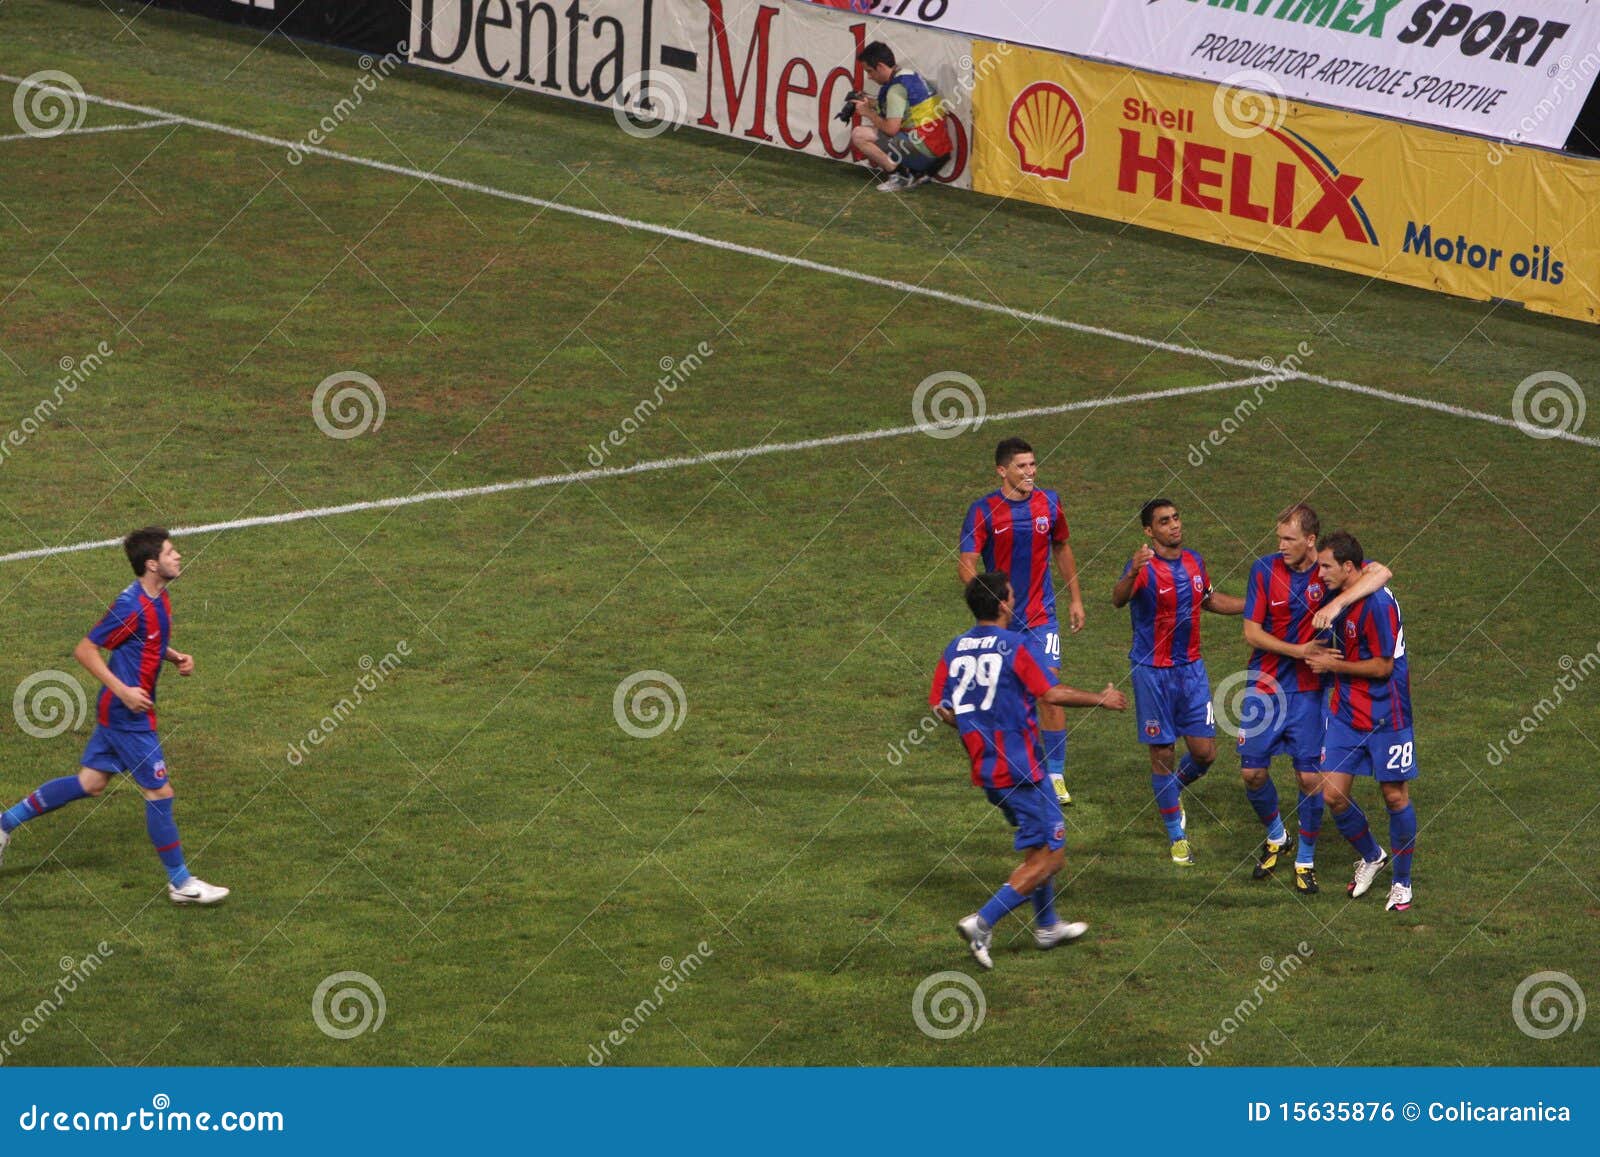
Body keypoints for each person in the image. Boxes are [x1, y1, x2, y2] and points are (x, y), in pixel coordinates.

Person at [0, 528, 228, 905]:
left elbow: (146, 639)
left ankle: (5, 822)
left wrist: (174, 657)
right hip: (127, 716)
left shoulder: (158, 597)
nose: (179, 556)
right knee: (159, 792)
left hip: (122, 711)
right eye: (171, 552)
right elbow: (85, 649)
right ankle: (181, 883)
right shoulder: (131, 605)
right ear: (152, 564)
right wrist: (123, 690)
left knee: (89, 783)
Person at [930, 572, 1125, 970]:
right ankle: (982, 921)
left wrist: (973, 729)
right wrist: (1100, 698)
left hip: (987, 770)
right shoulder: (1014, 645)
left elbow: (940, 706)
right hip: (1022, 769)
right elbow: (1050, 693)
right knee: (1052, 857)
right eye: (1013, 596)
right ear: (1003, 605)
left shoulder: (954, 649)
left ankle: (1047, 926)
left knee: (1037, 847)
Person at [1238, 504, 1392, 894]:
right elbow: (1252, 634)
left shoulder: (1328, 571)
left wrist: (1337, 602)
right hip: (1265, 685)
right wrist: (1301, 651)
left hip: (1311, 691)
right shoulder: (1264, 570)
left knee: (1309, 777)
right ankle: (1277, 836)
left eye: (1288, 539)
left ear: (1309, 540)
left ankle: (1305, 858)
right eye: (1278, 538)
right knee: (1251, 773)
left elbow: (1381, 572)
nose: (1280, 545)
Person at [1111, 499, 1244, 866]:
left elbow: (1208, 599)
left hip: (1191, 670)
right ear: (1149, 531)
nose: (1173, 525)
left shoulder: (1194, 561)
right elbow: (1118, 600)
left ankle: (1171, 791)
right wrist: (1131, 573)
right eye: (1164, 522)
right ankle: (1177, 837)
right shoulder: (1143, 565)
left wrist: (1252, 605)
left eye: (1176, 518)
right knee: (1163, 753)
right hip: (1152, 672)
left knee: (1205, 753)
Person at [958, 437, 1085, 806]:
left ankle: (1056, 775)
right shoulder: (983, 511)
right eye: (1021, 466)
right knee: (1003, 698)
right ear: (1002, 470)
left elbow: (1061, 547)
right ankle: (1006, 762)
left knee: (1050, 690)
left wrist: (1075, 598)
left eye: (1033, 465)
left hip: (1042, 617)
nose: (1030, 472)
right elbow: (966, 566)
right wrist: (990, 600)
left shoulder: (1050, 502)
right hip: (1001, 622)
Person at [1305, 531, 1417, 912]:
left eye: (1326, 566)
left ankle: (1402, 883)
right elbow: (1378, 570)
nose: (1319, 574)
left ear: (1349, 568)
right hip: (1347, 711)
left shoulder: (1378, 606)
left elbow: (1384, 667)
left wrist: (1334, 665)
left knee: (1394, 796)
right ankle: (1372, 856)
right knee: (1332, 794)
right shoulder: (1345, 588)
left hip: (1388, 714)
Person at [849, 41, 952, 192]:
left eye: (869, 71)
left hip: (925, 152)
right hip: (940, 150)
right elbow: (902, 108)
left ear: (881, 67)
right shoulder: (908, 75)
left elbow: (891, 129)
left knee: (859, 134)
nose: (869, 77)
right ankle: (917, 173)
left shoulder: (895, 89)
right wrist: (870, 103)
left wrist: (868, 113)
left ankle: (899, 177)